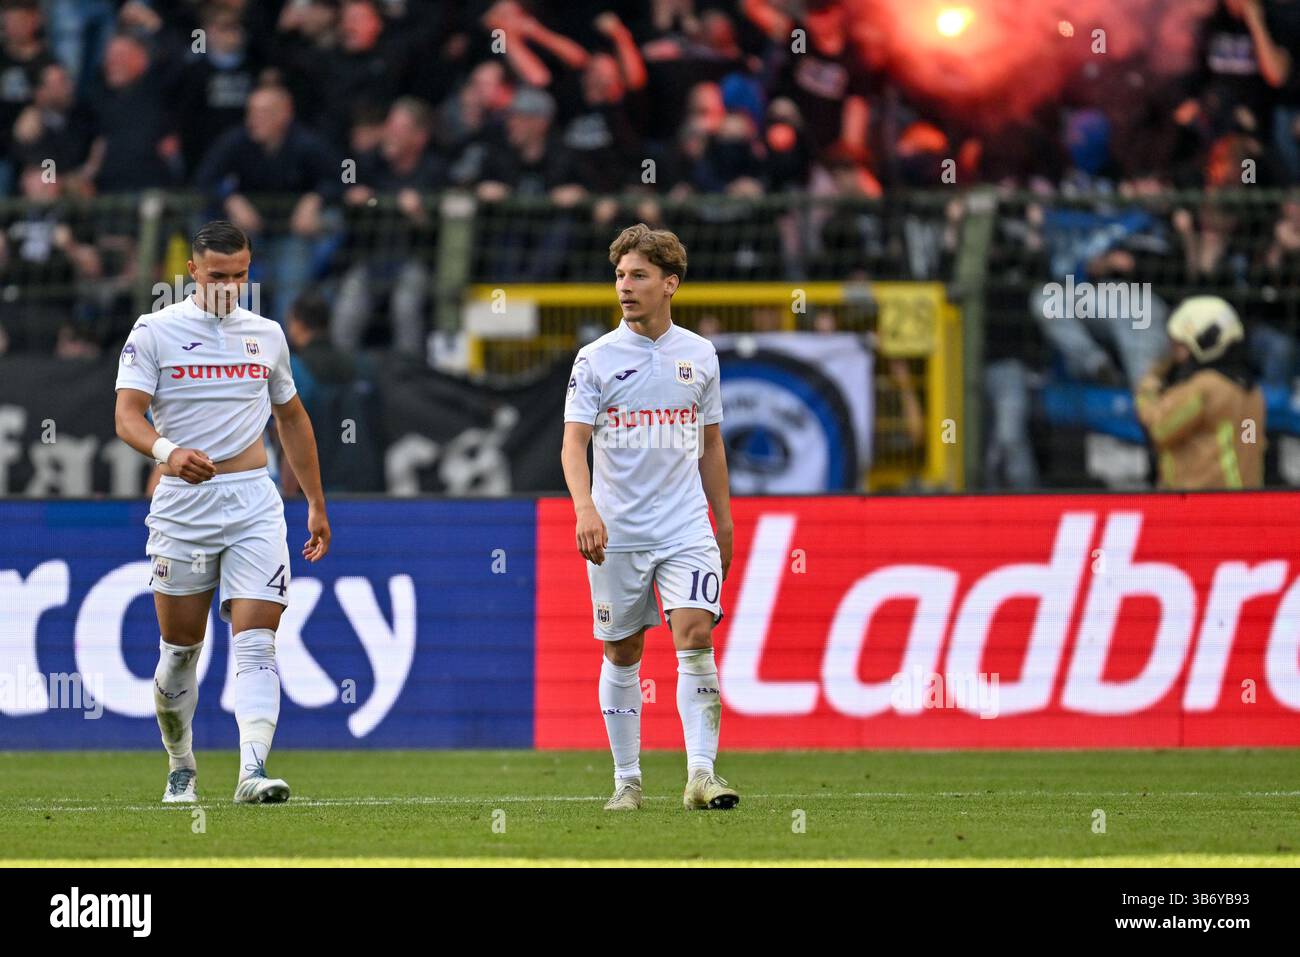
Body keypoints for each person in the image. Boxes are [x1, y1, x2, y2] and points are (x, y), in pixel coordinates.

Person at [113, 220, 331, 804]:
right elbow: (128, 416)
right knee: (180, 653)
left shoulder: (265, 334)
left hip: (254, 501)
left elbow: (291, 418)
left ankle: (252, 772)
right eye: (217, 277)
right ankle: (181, 762)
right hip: (182, 506)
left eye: (239, 277)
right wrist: (168, 452)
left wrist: (313, 501)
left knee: (257, 639)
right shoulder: (154, 331)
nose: (228, 288)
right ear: (192, 271)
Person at [560, 223, 739, 812]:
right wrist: (585, 506)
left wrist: (724, 519)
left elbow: (711, 445)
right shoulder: (595, 360)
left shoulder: (700, 355)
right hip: (616, 533)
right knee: (623, 652)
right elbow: (573, 443)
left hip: (686, 525)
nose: (625, 288)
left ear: (670, 284)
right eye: (619, 276)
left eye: (638, 276)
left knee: (695, 637)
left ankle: (702, 776)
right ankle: (628, 781)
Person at [1135, 295, 1265, 489]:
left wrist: (1147, 390)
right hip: (1245, 505)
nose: (1175, 354)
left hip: (1200, 506)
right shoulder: (1252, 392)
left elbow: (1159, 430)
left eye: (1181, 345)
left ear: (1206, 342)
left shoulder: (1205, 388)